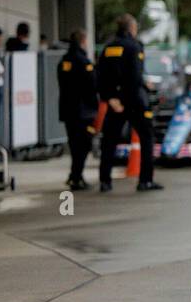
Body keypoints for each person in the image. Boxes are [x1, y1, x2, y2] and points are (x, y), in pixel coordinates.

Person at [97, 14, 161, 192]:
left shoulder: (108, 48)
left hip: (114, 102)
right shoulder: (134, 47)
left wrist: (111, 98)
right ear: (131, 28)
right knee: (147, 137)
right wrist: (130, 96)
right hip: (133, 101)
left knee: (109, 141)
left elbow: (100, 75)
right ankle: (145, 180)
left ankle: (105, 181)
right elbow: (134, 76)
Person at [58, 29, 98, 190]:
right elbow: (92, 85)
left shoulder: (64, 61)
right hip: (83, 111)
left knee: (74, 144)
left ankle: (75, 175)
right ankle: (76, 176)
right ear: (83, 41)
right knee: (84, 144)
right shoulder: (84, 62)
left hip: (68, 109)